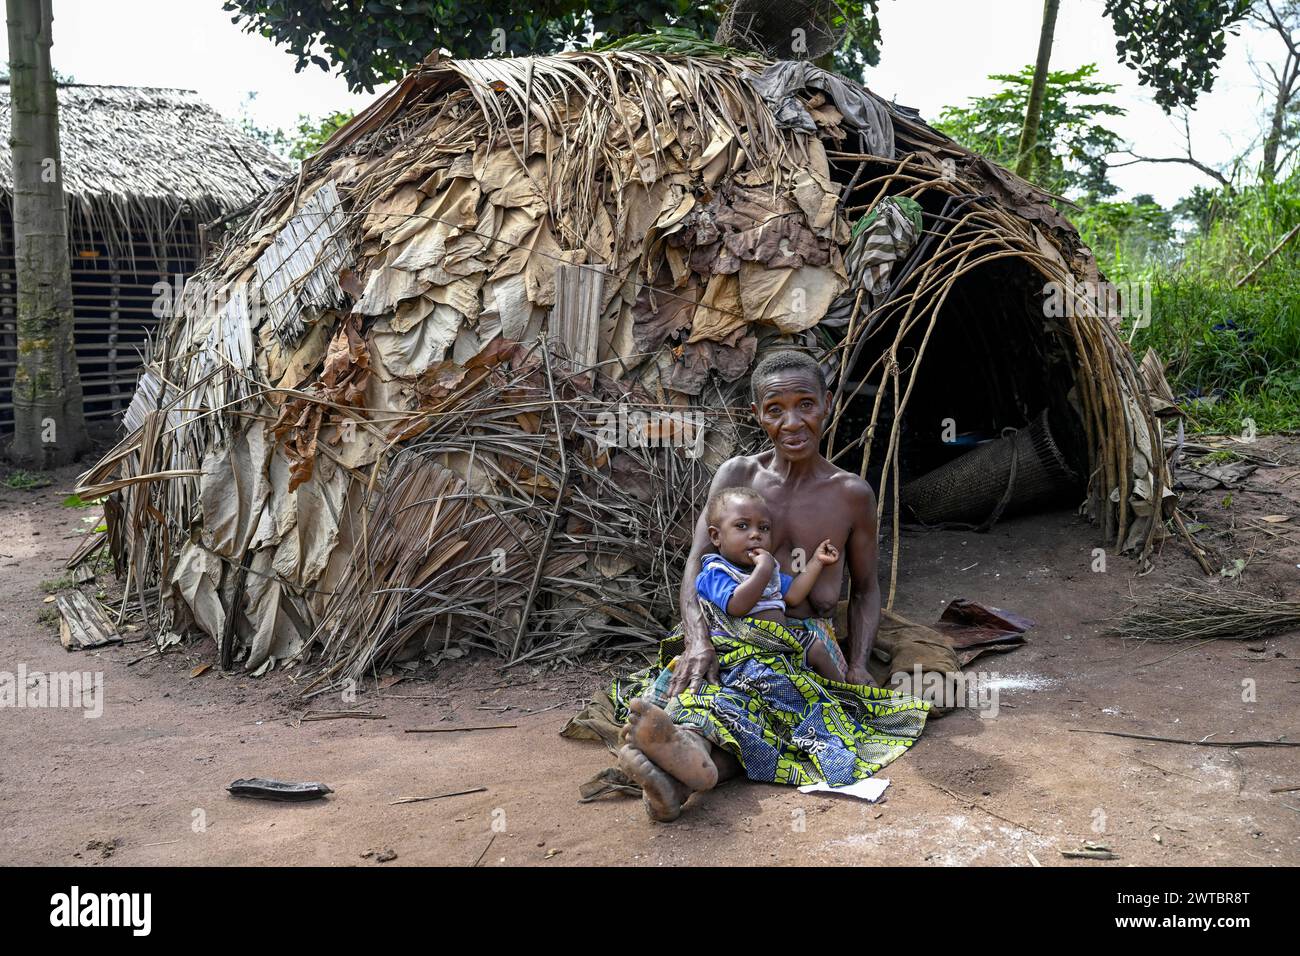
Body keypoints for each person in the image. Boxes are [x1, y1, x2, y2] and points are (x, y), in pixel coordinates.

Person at [613, 350, 929, 822]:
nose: (793, 422)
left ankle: (680, 776)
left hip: (799, 649)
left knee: (781, 708)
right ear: (757, 414)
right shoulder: (737, 477)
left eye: (806, 404)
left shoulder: (851, 496)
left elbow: (865, 588)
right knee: (711, 689)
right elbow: (696, 565)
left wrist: (859, 663)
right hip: (730, 638)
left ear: (826, 405)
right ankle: (684, 765)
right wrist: (699, 642)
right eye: (775, 409)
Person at [694, 485, 845, 682]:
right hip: (741, 646)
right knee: (761, 679)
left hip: (780, 642)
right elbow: (737, 606)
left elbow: (793, 596)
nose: (756, 534)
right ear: (716, 536)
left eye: (763, 528)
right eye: (742, 526)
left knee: (816, 647)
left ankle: (846, 695)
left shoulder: (768, 569)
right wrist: (763, 570)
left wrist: (816, 562)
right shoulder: (716, 572)